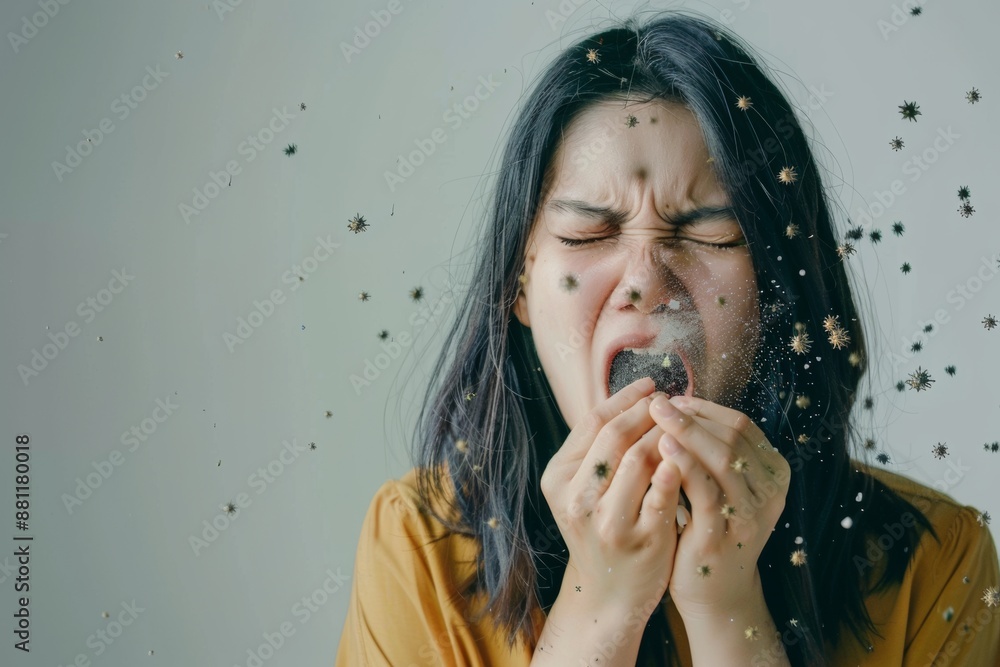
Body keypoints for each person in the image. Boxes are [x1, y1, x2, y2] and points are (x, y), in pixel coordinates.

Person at [335, 11, 1000, 666]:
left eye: (707, 234)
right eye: (587, 235)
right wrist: (599, 607)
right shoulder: (418, 546)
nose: (646, 282)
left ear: (774, 291)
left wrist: (728, 612)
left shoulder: (938, 563)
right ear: (519, 283)